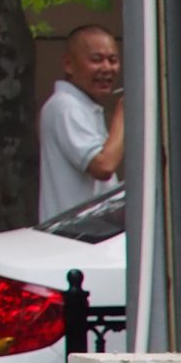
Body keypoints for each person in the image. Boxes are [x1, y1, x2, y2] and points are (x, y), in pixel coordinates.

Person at [39, 25, 122, 220]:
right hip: (74, 235)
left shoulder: (83, 105)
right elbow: (103, 166)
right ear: (68, 64)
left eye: (113, 60)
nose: (107, 68)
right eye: (96, 60)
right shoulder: (65, 106)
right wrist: (124, 114)